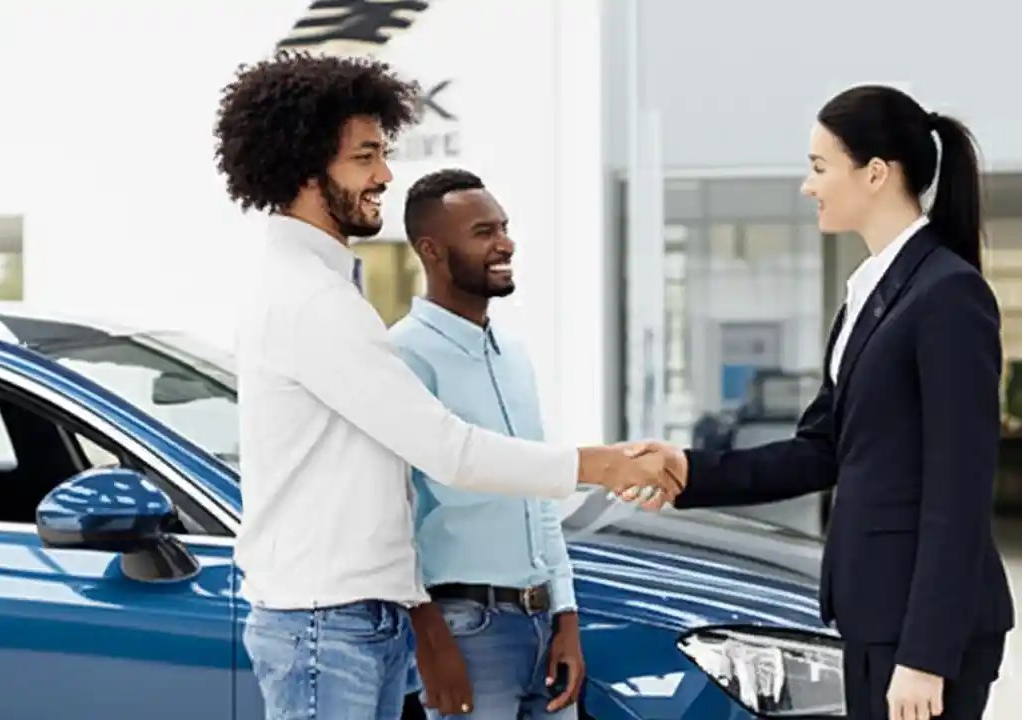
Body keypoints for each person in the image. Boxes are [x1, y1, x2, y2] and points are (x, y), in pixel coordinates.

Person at [212, 51, 681, 720]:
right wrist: (600, 464)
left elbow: (392, 489)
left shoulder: (324, 291)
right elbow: (446, 450)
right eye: (366, 157)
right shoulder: (312, 303)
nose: (384, 174)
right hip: (325, 625)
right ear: (305, 165)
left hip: (350, 621)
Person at [623, 84, 1015, 720]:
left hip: (922, 631)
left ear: (877, 174)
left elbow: (960, 488)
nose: (808, 186)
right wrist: (687, 469)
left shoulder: (947, 294)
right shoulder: (872, 292)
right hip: (877, 612)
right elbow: (822, 450)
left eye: (819, 167)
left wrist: (925, 656)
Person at [390, 169, 585, 719]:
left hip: (539, 625)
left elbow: (540, 494)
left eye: (503, 226)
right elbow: (391, 515)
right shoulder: (403, 358)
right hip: (466, 631)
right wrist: (430, 641)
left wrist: (564, 614)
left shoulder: (513, 356)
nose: (505, 243)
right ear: (432, 249)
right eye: (483, 231)